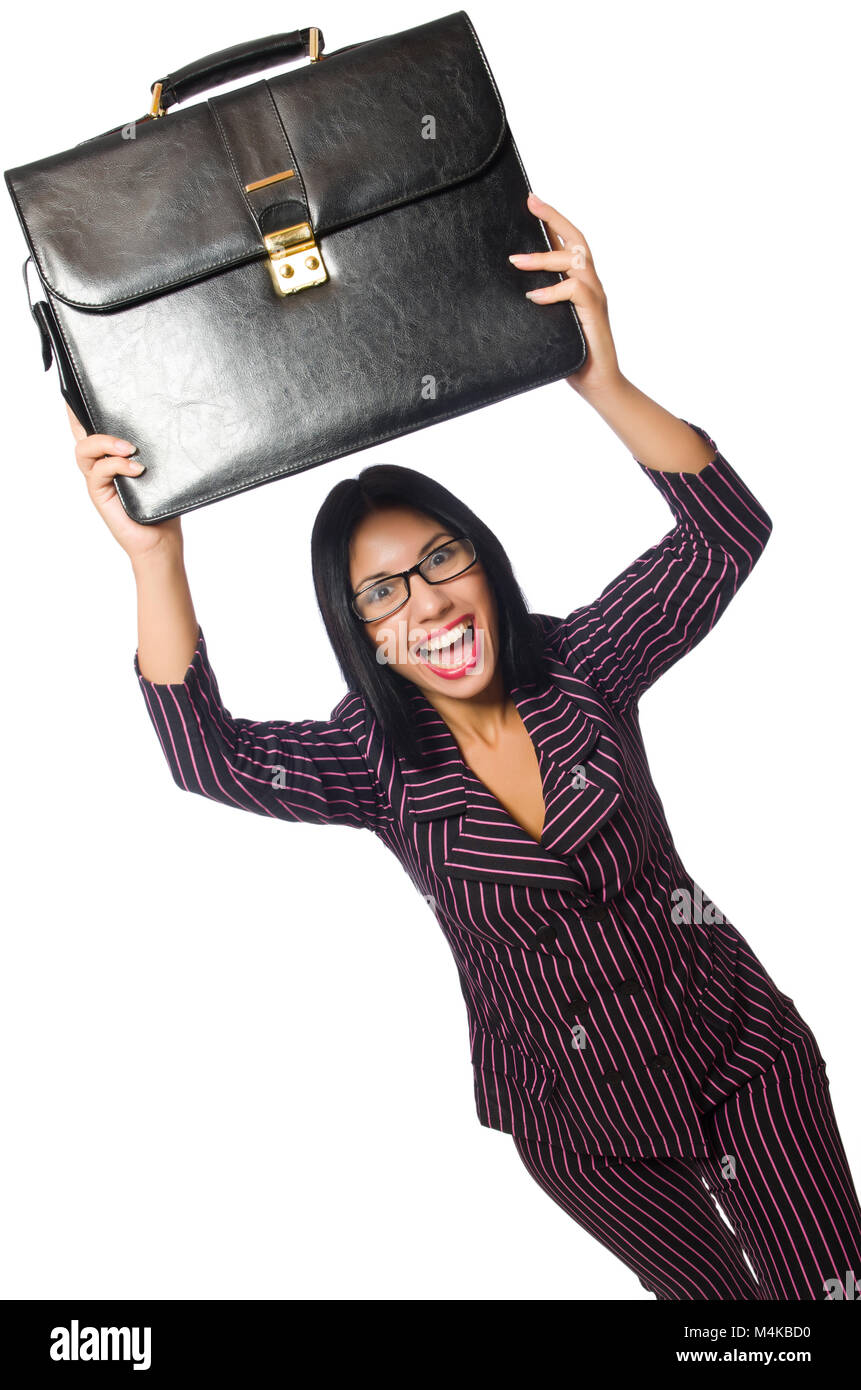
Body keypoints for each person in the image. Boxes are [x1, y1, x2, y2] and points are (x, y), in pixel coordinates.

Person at [67, 193, 861, 1301]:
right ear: (365, 637)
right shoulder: (375, 767)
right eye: (382, 593)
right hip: (581, 1123)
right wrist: (155, 560)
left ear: (483, 562)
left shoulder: (585, 664)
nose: (427, 603)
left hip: (742, 1055)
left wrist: (600, 378)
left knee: (834, 1296)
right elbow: (208, 754)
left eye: (442, 560)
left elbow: (727, 533)